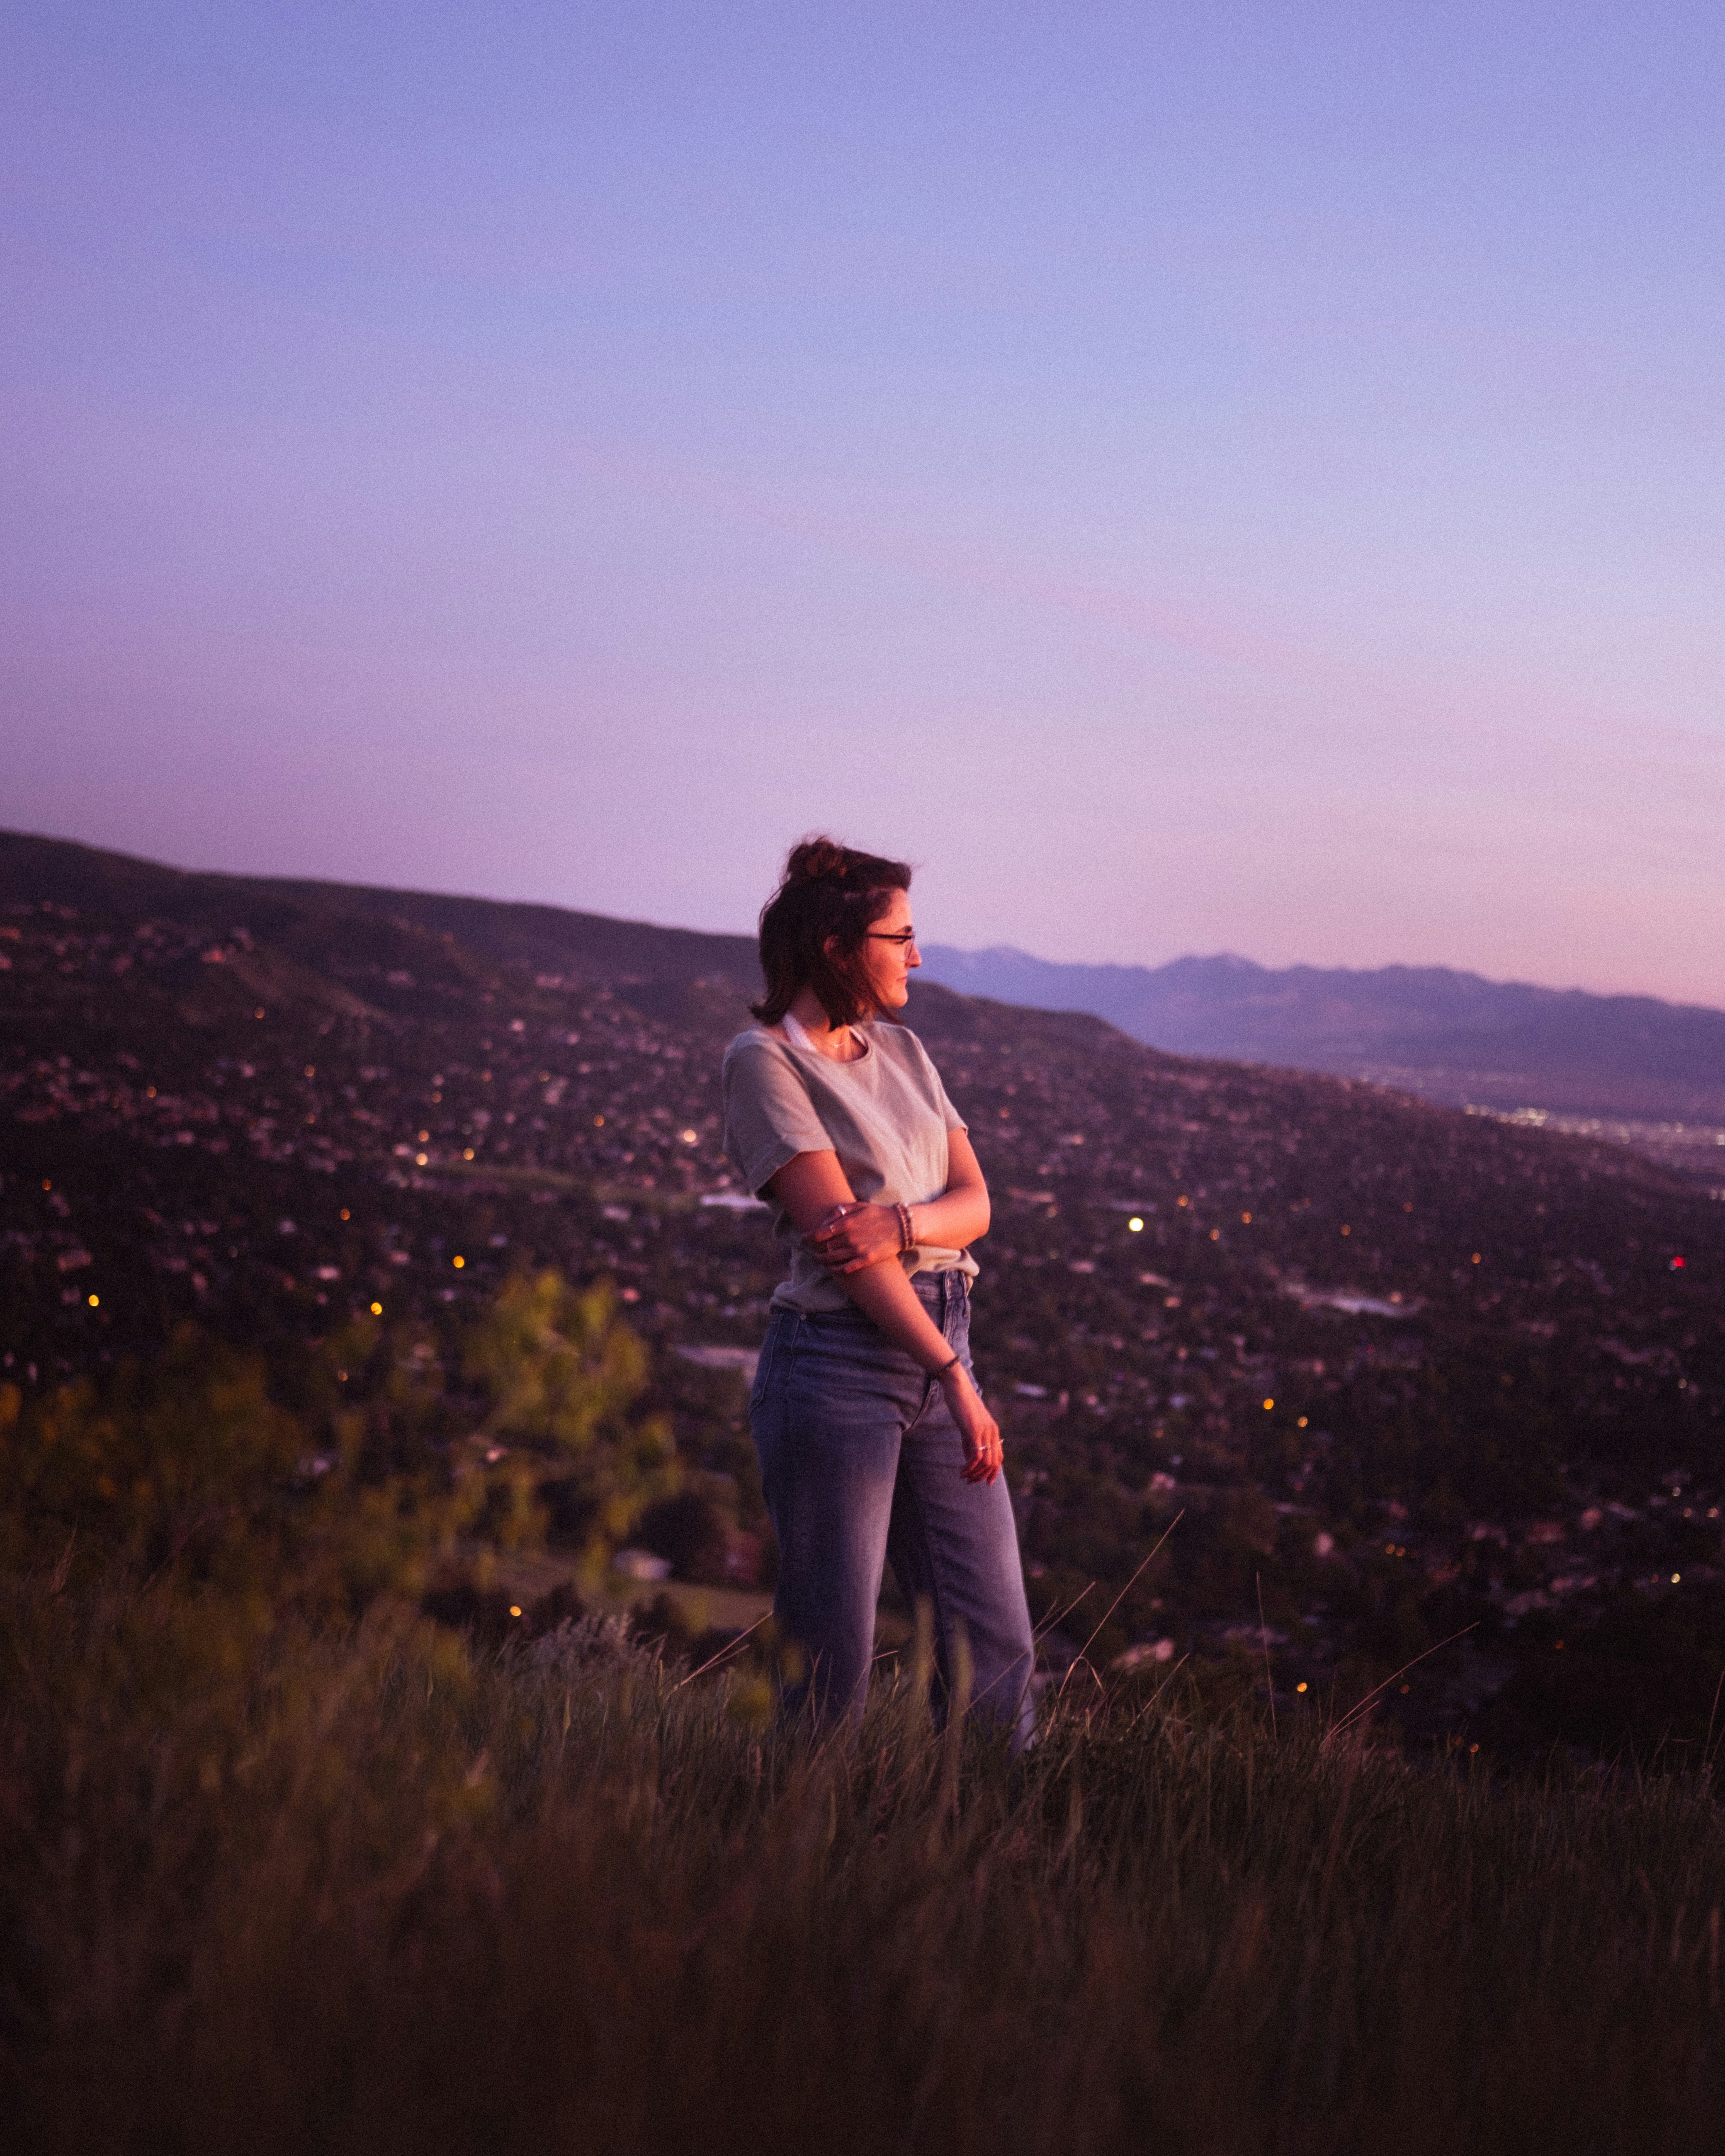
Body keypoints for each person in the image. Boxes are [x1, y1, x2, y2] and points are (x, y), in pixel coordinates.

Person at [721, 836, 1036, 1748]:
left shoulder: (903, 1049)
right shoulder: (764, 1061)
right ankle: (800, 1855)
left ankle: (981, 1845)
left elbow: (976, 1204)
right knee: (832, 1658)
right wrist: (951, 1372)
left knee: (993, 1641)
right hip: (839, 1363)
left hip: (944, 1339)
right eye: (899, 935)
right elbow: (846, 1257)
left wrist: (899, 1224)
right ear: (834, 944)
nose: (917, 954)